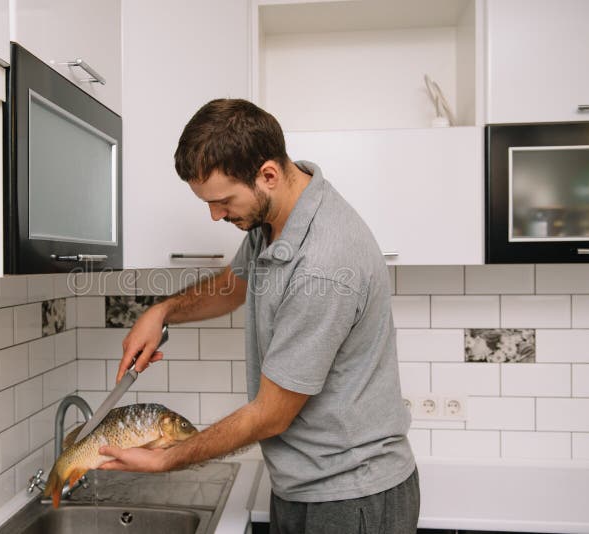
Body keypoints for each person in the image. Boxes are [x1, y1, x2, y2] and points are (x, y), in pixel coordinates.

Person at [99, 98, 419, 533]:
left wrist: (165, 458)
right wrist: (162, 311)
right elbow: (234, 286)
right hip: (302, 484)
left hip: (351, 498)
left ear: (268, 174)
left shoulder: (323, 265)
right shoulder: (274, 217)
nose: (215, 215)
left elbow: (271, 414)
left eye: (223, 201)